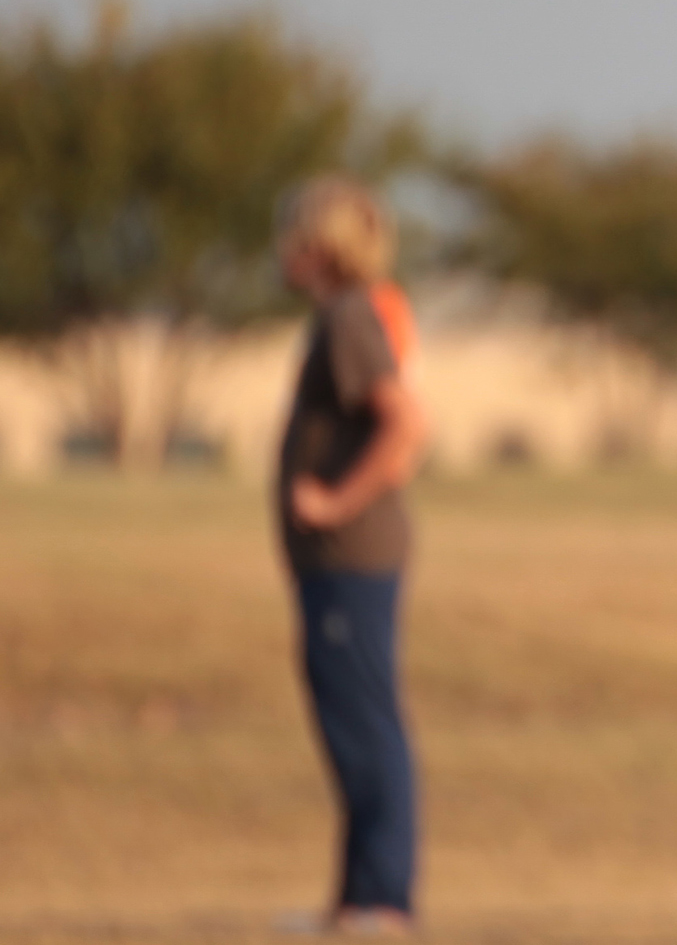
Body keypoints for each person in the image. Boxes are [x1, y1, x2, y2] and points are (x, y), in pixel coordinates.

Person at [276, 175, 429, 934]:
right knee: (346, 719)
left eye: (291, 234)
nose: (281, 251)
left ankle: (383, 900)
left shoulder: (347, 318)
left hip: (353, 557)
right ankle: (353, 898)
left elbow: (403, 424)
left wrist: (335, 501)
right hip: (332, 564)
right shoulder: (346, 315)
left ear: (321, 245)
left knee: (366, 722)